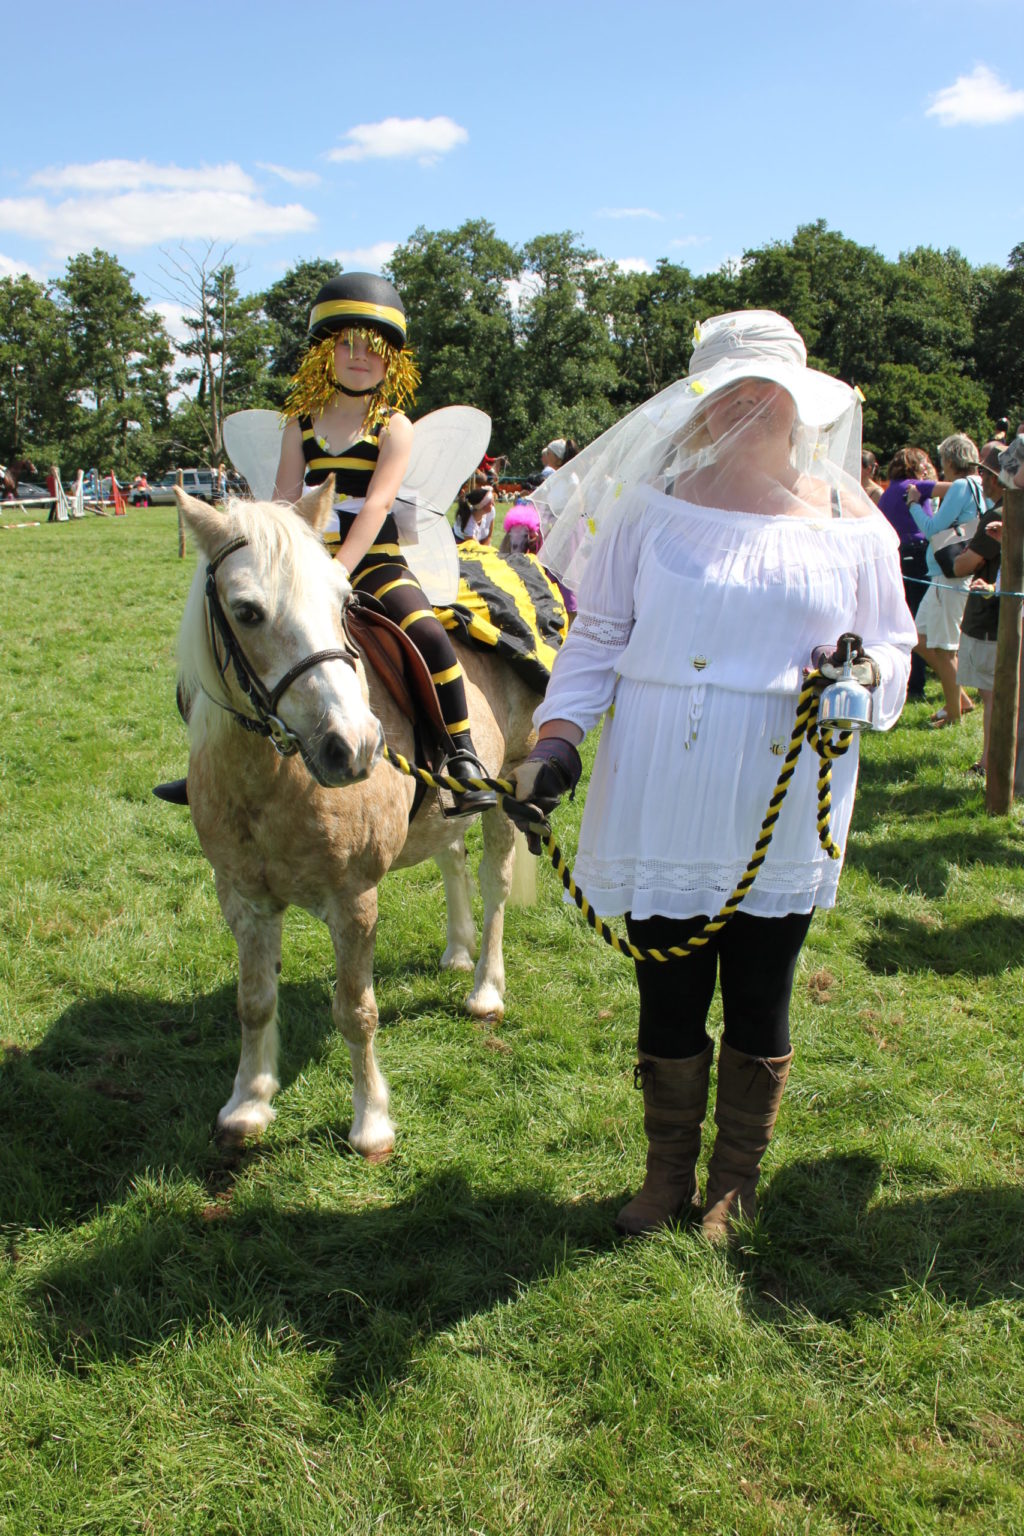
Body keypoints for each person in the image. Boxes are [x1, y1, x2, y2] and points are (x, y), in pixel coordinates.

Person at [508, 310, 914, 1243]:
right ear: (695, 403)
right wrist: (560, 738)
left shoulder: (852, 521)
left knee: (764, 983)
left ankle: (735, 1180)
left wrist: (861, 676)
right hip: (666, 776)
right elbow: (602, 631)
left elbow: (892, 642)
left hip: (785, 774)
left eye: (762, 391)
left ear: (797, 404)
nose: (745, 407)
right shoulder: (650, 509)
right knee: (672, 983)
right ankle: (663, 1175)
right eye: (727, 390)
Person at [155, 272, 495, 815]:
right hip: (304, 566)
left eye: (373, 348)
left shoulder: (394, 426)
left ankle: (462, 753)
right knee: (215, 647)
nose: (360, 356)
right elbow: (284, 502)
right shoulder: (301, 423)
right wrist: (294, 563)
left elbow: (380, 504)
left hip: (375, 561)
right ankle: (205, 764)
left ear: (392, 361)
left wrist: (340, 568)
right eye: (346, 344)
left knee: (430, 635)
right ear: (325, 352)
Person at [905, 433, 983, 727]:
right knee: (917, 637)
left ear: (950, 460)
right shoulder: (977, 484)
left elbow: (933, 529)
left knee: (945, 648)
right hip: (947, 575)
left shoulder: (962, 486)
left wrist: (914, 504)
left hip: (948, 576)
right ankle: (959, 699)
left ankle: (953, 714)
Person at [952, 443, 1005, 773]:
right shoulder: (1001, 511)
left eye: (983, 471)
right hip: (999, 618)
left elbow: (962, 565)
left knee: (991, 696)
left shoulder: (998, 515)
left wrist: (957, 553)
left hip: (991, 620)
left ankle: (990, 764)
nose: (979, 477)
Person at [877, 446, 936, 700]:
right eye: (923, 462)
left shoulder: (889, 491)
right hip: (916, 556)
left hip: (897, 555)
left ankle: (904, 682)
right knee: (917, 622)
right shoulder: (912, 487)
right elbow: (955, 489)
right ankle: (916, 685)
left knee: (904, 617)